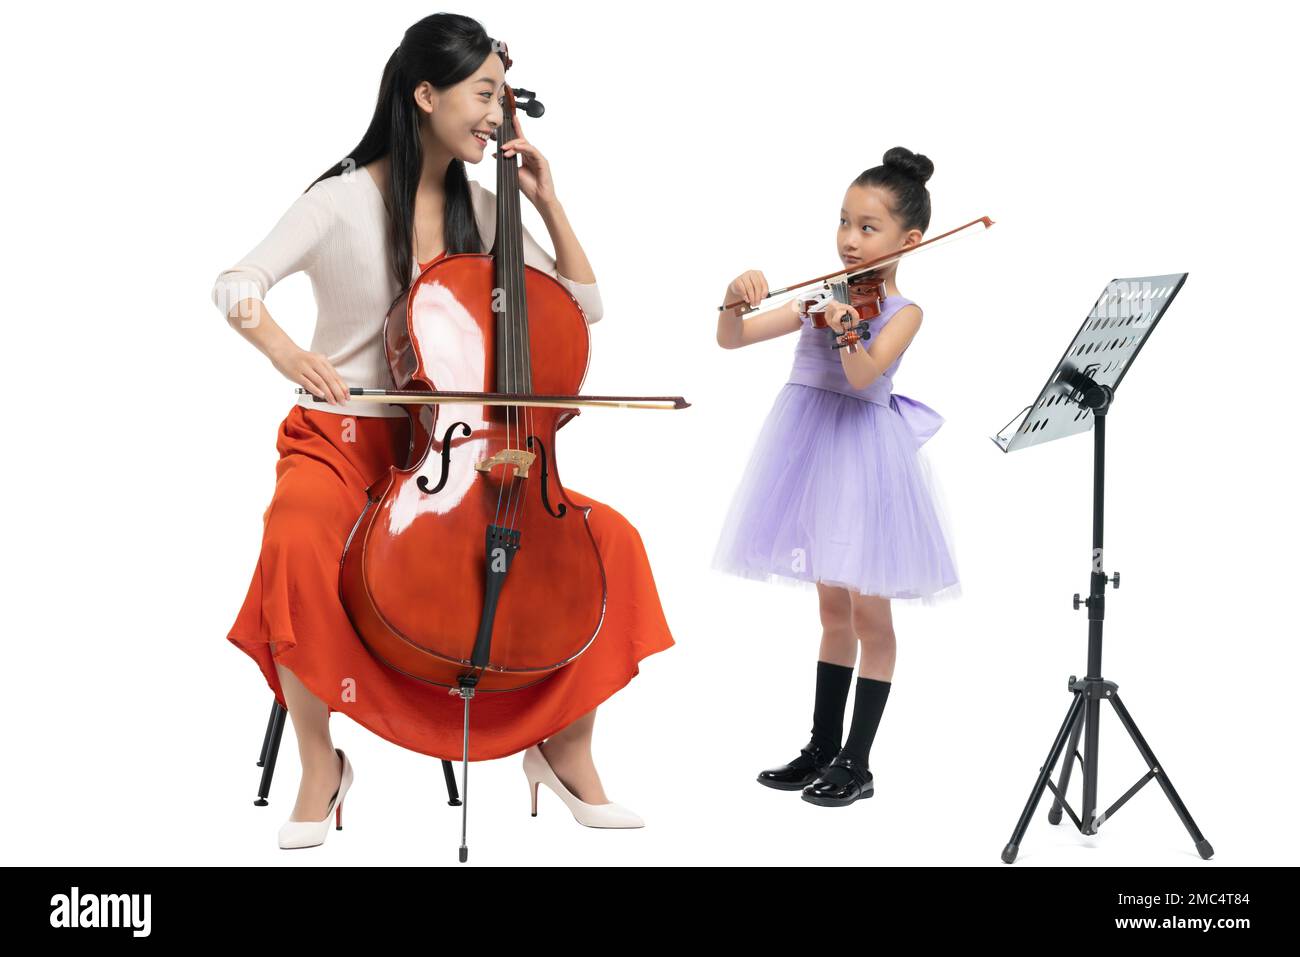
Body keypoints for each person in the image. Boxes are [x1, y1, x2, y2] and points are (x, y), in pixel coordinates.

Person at [211, 14, 674, 848]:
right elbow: (236, 283)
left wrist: (548, 200)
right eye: (484, 93)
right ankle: (322, 762)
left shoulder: (488, 209)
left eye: (503, 95)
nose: (497, 113)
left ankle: (564, 751)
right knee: (295, 529)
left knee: (611, 540)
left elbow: (587, 306)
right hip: (342, 439)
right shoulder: (342, 199)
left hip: (454, 452)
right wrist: (289, 352)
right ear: (426, 95)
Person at [712, 146, 960, 808]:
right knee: (830, 608)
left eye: (868, 227)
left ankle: (858, 759)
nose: (849, 239)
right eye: (844, 222)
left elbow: (860, 376)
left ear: (909, 240)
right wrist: (731, 301)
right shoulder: (828, 294)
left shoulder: (902, 311)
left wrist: (848, 330)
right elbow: (732, 340)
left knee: (869, 611)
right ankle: (821, 746)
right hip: (811, 451)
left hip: (863, 457)